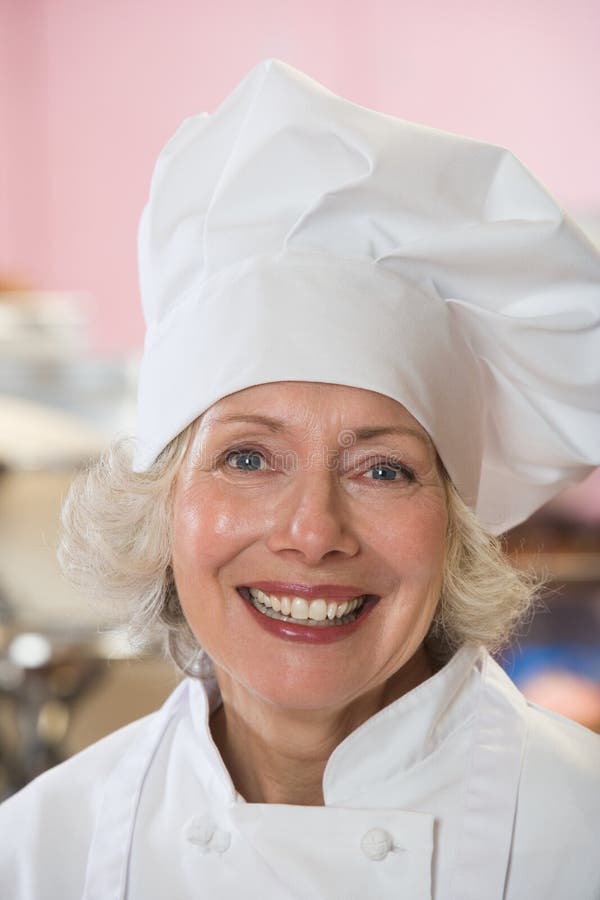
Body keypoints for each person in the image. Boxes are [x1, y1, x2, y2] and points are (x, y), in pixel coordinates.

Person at [1, 58, 599, 899]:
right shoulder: (39, 853)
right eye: (247, 458)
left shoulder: (580, 835)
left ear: (456, 532)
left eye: (383, 469)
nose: (313, 532)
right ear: (164, 505)